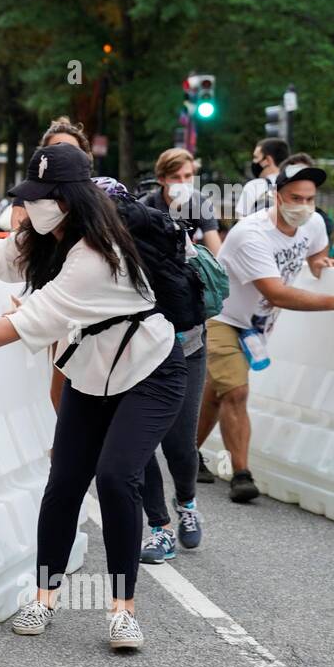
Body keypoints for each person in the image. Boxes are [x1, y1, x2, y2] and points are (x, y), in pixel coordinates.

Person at [0, 144, 186, 650]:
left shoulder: (96, 256)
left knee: (117, 477)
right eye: (30, 196)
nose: (33, 205)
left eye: (43, 196)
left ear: (70, 198)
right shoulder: (47, 236)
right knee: (63, 483)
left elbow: (18, 325)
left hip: (149, 371)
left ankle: (123, 610)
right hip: (90, 373)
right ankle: (44, 595)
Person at [197, 156, 334, 502]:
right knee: (236, 392)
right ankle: (241, 474)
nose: (303, 206)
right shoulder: (251, 234)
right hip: (222, 317)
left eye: (309, 199)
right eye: (295, 198)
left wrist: (321, 263)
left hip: (257, 325)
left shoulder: (315, 223)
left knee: (216, 393)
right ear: (278, 196)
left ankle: (183, 452)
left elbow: (316, 252)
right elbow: (276, 292)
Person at [137, 147, 221, 564]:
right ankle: (159, 526)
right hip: (146, 344)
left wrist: (191, 249)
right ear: (163, 178)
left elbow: (216, 260)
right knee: (141, 442)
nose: (184, 182)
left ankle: (186, 504)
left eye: (190, 174)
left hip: (189, 342)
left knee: (180, 443)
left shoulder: (200, 206)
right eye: (177, 175)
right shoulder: (142, 209)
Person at [142, 148, 221, 255]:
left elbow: (216, 252)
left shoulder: (201, 202)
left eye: (188, 176)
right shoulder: (146, 206)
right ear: (161, 179)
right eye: (175, 177)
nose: (183, 182)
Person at [235, 138, 289, 220]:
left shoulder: (254, 186)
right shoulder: (295, 184)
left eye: (256, 157)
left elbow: (242, 221)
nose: (254, 162)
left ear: (267, 160)